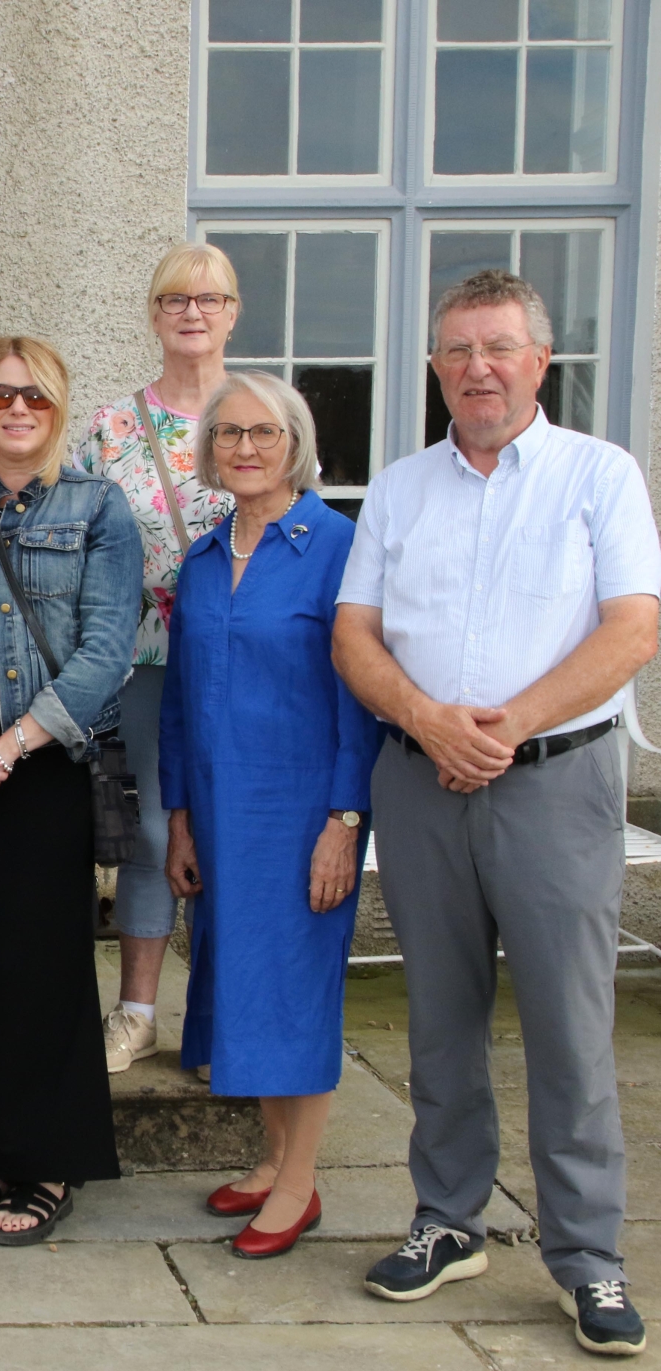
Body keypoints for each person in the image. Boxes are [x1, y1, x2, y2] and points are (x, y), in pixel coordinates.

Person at [335, 270, 660, 1356]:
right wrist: (432, 723)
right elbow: (355, 638)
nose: (477, 367)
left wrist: (502, 725)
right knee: (440, 1018)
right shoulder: (400, 487)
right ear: (434, 368)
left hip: (556, 782)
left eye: (499, 348)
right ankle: (447, 1219)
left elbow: (630, 632)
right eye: (458, 350)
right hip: (420, 782)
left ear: (539, 361)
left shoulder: (598, 476)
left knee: (569, 1027)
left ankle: (587, 1257)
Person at [0, 336, 139, 1244]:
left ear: (59, 407)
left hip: (38, 768)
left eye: (34, 399)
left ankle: (47, 1161)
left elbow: (105, 651)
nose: (14, 410)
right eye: (0, 395)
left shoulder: (98, 508)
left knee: (39, 965)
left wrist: (4, 748)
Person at [160, 372, 378, 1259]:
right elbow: (177, 698)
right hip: (217, 809)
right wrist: (178, 818)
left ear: (296, 445)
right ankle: (273, 1155)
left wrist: (345, 818)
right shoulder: (204, 556)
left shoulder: (337, 547)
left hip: (300, 811)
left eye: (264, 433)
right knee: (243, 984)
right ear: (209, 451)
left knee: (295, 990)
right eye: (228, 435)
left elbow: (360, 701)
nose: (245, 448)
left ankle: (300, 1184)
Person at [76, 242, 240, 1076]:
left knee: (232, 832)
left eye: (209, 300)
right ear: (154, 314)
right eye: (176, 299)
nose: (192, 312)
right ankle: (135, 1011)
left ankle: (217, 1018)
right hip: (143, 661)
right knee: (148, 832)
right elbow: (82, 549)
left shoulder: (261, 414)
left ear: (232, 313)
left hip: (240, 664)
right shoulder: (111, 427)